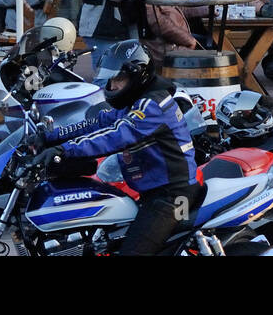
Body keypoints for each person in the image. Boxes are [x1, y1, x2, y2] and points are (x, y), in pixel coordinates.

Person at [29, 40, 203, 255]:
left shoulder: (152, 105)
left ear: (138, 75)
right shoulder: (134, 102)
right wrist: (50, 136)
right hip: (153, 192)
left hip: (174, 197)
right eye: (111, 79)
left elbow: (116, 135)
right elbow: (99, 121)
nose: (112, 86)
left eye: (118, 79)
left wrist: (64, 150)